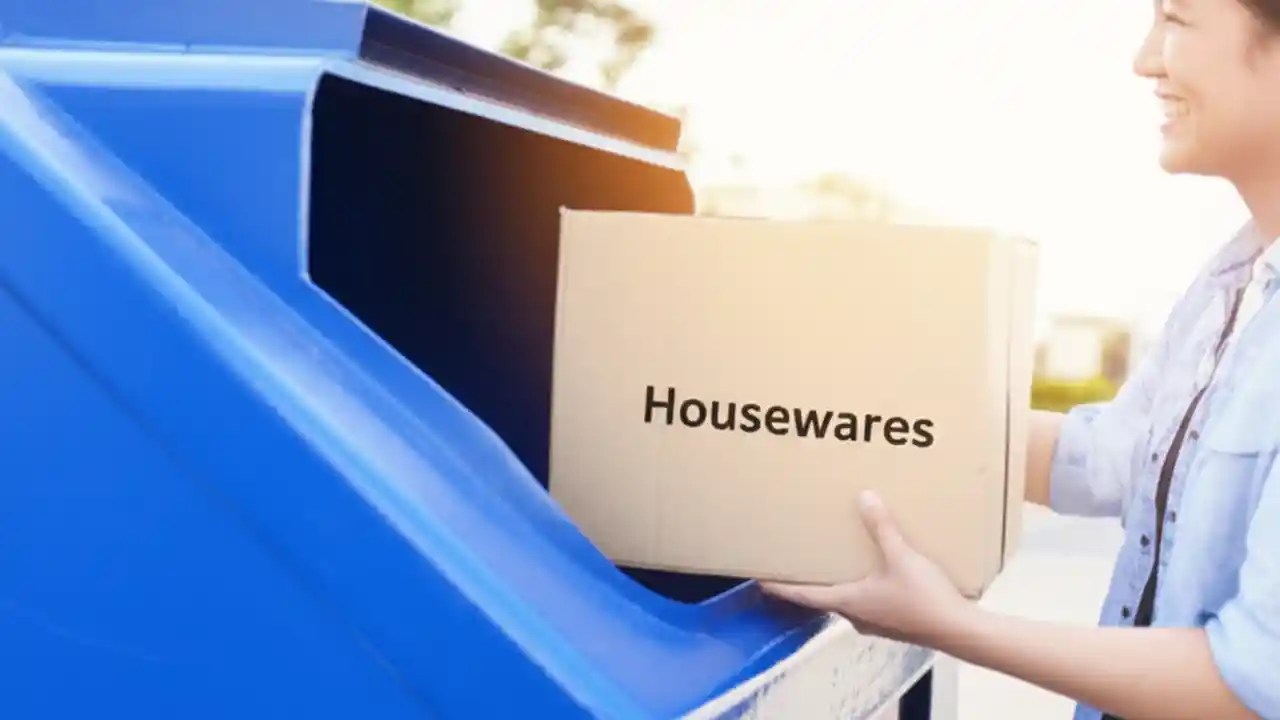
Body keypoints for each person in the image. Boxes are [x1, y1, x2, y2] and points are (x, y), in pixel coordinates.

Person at [760, 1, 1280, 718]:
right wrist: (832, 414)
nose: (1145, 58)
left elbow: (1251, 686)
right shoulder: (1237, 280)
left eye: (1178, 21)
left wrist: (949, 624)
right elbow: (1111, 456)